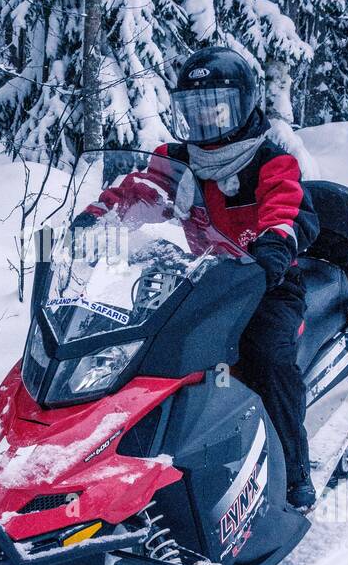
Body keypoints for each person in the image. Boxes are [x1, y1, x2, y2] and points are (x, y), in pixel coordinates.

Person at [81, 46, 320, 511]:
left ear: (243, 104)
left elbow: (285, 206)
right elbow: (143, 191)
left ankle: (293, 472)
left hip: (267, 281)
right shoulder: (177, 160)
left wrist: (274, 243)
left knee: (267, 358)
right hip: (203, 279)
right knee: (144, 350)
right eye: (194, 111)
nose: (206, 122)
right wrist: (95, 222)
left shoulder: (269, 161)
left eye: (217, 107)